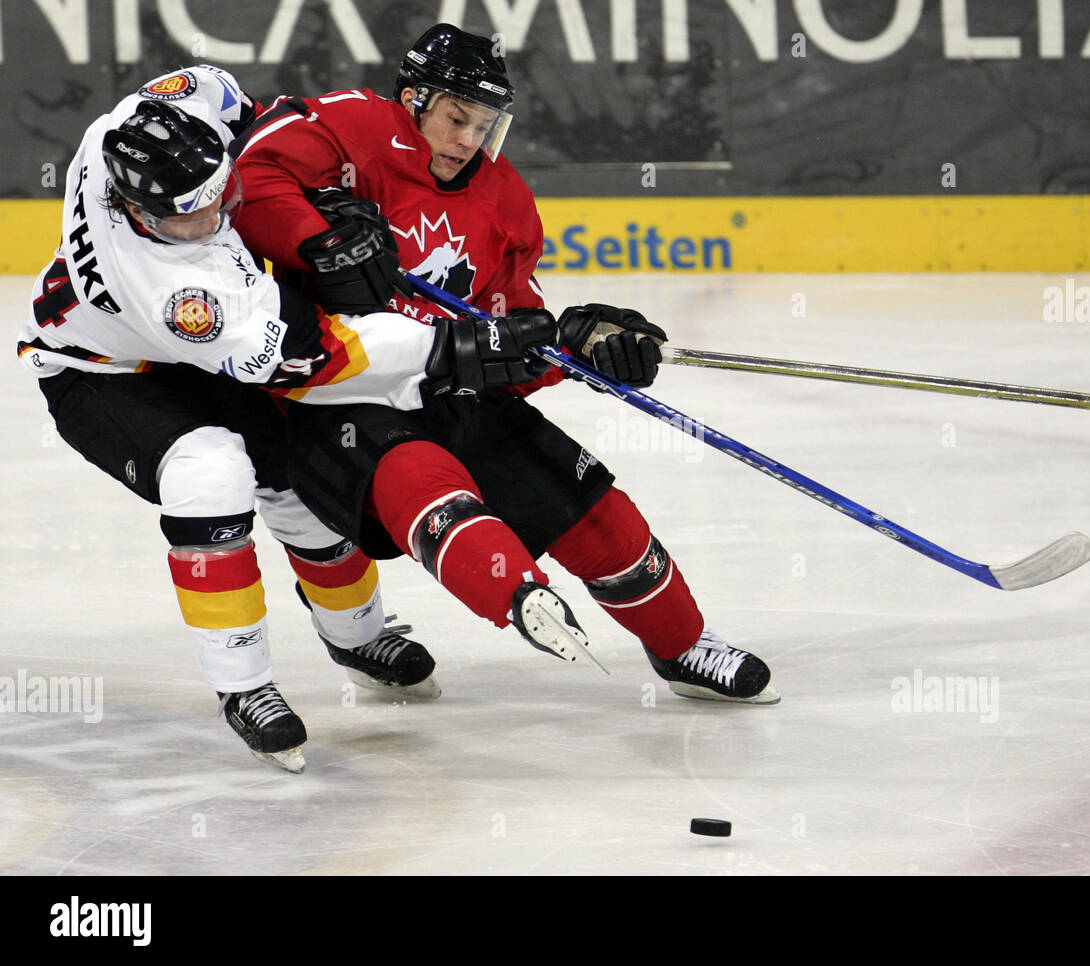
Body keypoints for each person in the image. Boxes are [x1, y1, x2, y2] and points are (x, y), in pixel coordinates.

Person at [232, 24, 780, 704]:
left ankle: (684, 644)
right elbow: (249, 175)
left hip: (453, 382)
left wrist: (580, 350)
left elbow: (510, 334)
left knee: (596, 512)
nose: (469, 141)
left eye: (485, 124)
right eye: (457, 118)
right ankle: (502, 598)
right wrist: (318, 242)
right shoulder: (352, 126)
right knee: (419, 487)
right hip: (339, 389)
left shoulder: (503, 198)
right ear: (412, 99)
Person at [17, 65, 449, 773]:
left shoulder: (127, 129)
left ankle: (355, 635)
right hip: (103, 377)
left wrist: (305, 200)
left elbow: (236, 105)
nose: (214, 218)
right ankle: (245, 687)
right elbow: (327, 356)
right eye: (192, 214)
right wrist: (463, 347)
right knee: (212, 472)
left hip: (178, 352)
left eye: (222, 194)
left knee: (298, 476)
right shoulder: (182, 294)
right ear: (140, 214)